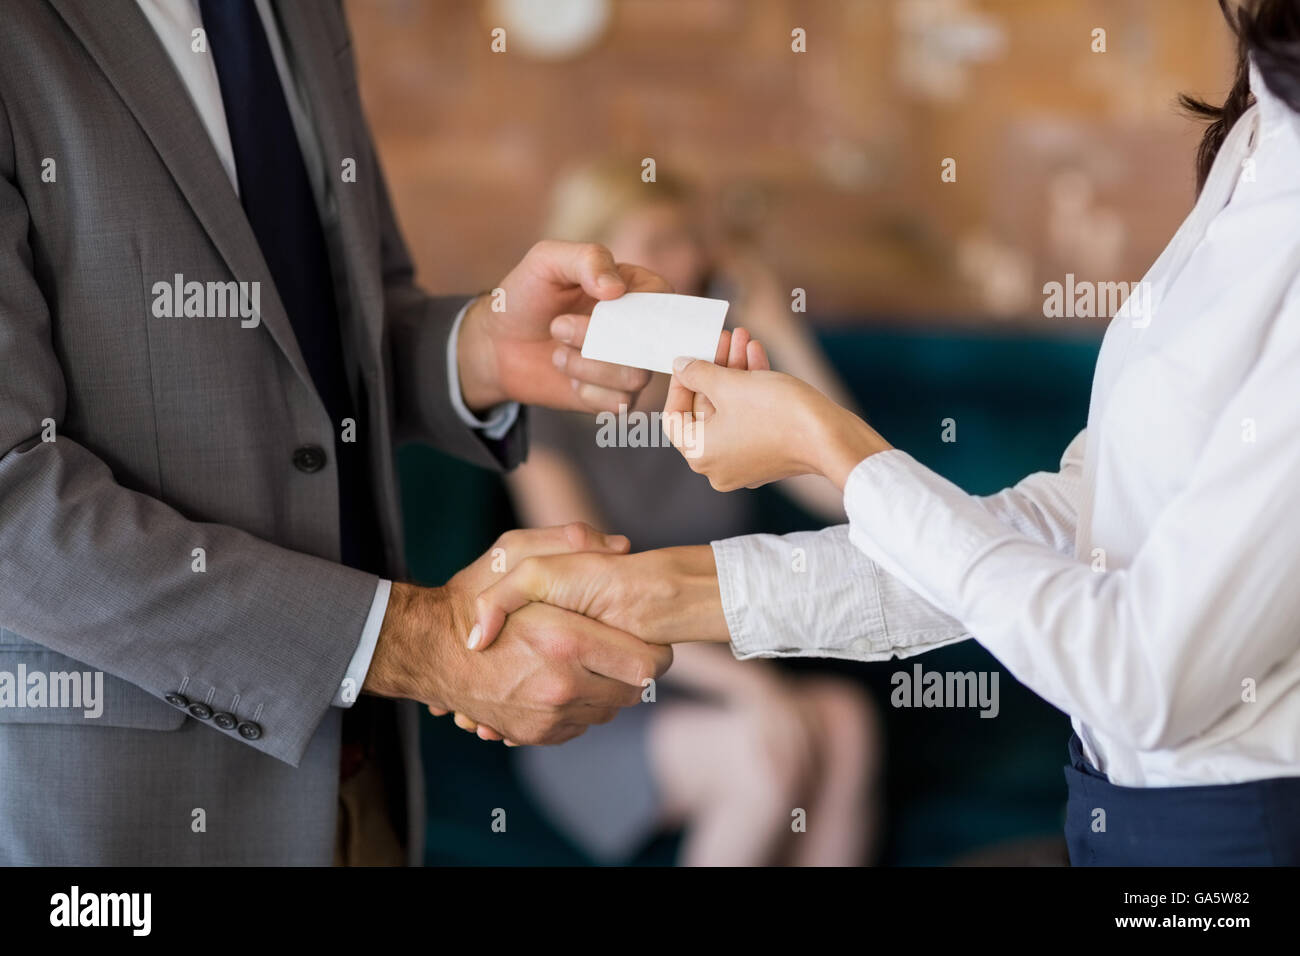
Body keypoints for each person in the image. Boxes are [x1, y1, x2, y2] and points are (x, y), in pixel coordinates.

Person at [467, 0, 1300, 865]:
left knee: (832, 729)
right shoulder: (1253, 136)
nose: (678, 267)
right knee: (770, 747)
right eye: (656, 244)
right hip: (1112, 811)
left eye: (690, 244)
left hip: (1226, 842)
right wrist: (650, 592)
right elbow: (1082, 522)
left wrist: (819, 424)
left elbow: (1142, 675)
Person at [0, 0, 671, 865]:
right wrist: (410, 642)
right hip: (122, 816)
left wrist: (475, 350)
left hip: (362, 784)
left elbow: (332, 335)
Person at [501, 163, 879, 865]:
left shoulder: (714, 386)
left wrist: (780, 334)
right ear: (596, 267)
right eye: (665, 239)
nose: (694, 260)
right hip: (600, 689)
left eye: (694, 241)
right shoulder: (543, 411)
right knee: (761, 761)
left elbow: (856, 494)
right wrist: (751, 688)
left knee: (848, 724)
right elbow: (579, 589)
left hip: (714, 684)